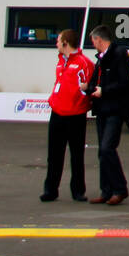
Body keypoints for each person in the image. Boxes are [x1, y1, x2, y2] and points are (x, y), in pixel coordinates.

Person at [41, 29, 94, 203]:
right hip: (57, 113)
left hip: (75, 115)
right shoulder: (60, 62)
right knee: (54, 154)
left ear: (65, 43)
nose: (56, 44)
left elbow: (90, 86)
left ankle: (78, 190)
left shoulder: (84, 63)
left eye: (58, 41)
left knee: (76, 155)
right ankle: (50, 189)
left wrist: (83, 101)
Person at [85, 25, 129, 206]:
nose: (93, 44)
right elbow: (97, 81)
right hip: (102, 110)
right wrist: (88, 88)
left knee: (107, 148)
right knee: (102, 152)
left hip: (115, 109)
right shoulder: (101, 59)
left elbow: (126, 82)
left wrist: (103, 91)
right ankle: (106, 190)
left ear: (99, 40)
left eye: (93, 41)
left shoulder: (119, 55)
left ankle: (120, 189)